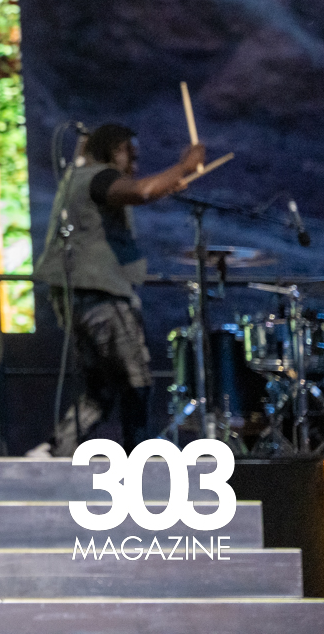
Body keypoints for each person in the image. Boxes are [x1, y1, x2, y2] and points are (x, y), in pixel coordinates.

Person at [28, 123, 205, 457]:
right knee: (136, 378)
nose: (134, 166)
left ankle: (53, 451)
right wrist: (185, 166)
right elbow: (141, 191)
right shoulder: (98, 177)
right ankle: (138, 457)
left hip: (75, 294)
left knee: (101, 390)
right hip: (99, 294)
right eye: (131, 156)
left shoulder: (77, 178)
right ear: (114, 149)